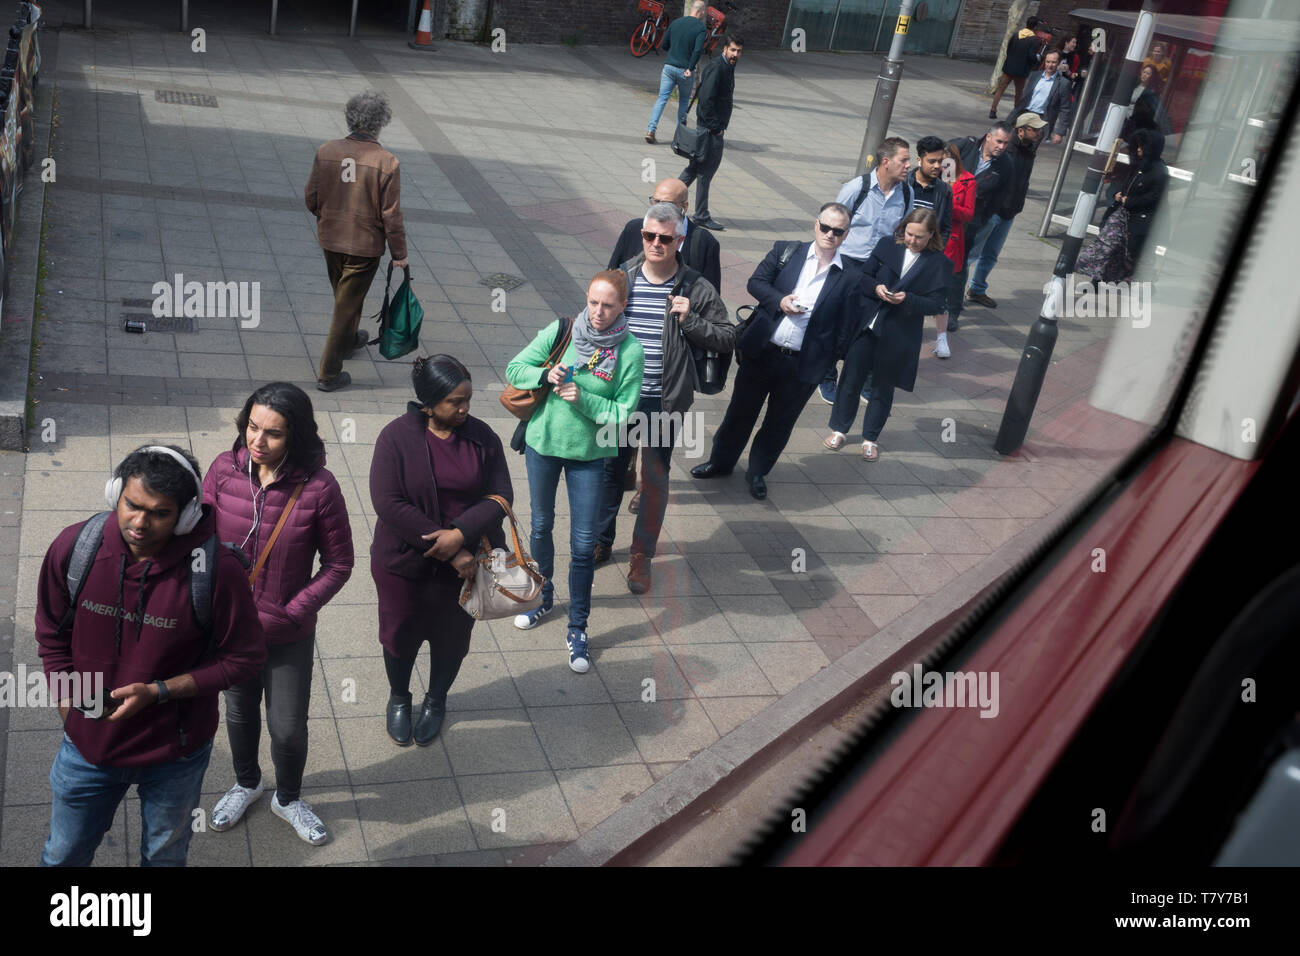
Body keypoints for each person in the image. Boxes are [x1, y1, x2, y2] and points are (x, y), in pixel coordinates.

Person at [36, 446, 266, 866]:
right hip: (87, 746)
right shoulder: (75, 547)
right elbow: (52, 635)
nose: (139, 523)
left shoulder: (217, 571)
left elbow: (245, 659)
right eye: (132, 506)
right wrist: (67, 701)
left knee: (164, 856)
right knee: (63, 855)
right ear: (114, 494)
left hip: (175, 754)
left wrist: (160, 691)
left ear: (186, 514)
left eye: (159, 513)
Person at [203, 383, 353, 845]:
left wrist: (293, 611)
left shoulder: (319, 488)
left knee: (287, 727)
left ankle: (288, 798)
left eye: (273, 433)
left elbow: (339, 563)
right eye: (252, 426)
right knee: (240, 712)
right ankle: (247, 783)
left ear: (296, 437)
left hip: (287, 633)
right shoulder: (223, 471)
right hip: (230, 631)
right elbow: (196, 541)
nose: (257, 441)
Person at [505, 272, 644, 673]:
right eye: (593, 303)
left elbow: (622, 415)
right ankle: (542, 597)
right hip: (543, 446)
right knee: (540, 527)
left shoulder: (631, 352)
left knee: (584, 546)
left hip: (590, 455)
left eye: (608, 306)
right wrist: (543, 375)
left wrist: (582, 399)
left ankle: (578, 627)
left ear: (622, 307)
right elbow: (516, 368)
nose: (598, 313)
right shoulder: (563, 329)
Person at [370, 356, 513, 746]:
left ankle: (436, 700)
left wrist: (462, 532)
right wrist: (448, 547)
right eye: (455, 401)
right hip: (405, 564)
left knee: (452, 640)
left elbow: (501, 496)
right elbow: (388, 502)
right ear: (429, 403)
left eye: (467, 399)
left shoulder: (482, 437)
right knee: (399, 636)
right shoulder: (395, 438)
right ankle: (400, 698)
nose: (465, 408)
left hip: (466, 569)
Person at [595, 202, 733, 594]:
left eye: (665, 238)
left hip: (664, 400)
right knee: (609, 473)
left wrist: (692, 320)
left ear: (680, 240)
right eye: (648, 235)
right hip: (619, 399)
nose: (655, 243)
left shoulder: (695, 286)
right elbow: (591, 319)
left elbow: (727, 335)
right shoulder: (622, 278)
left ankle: (641, 555)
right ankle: (602, 541)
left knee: (653, 479)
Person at [690, 203, 862, 501]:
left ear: (846, 235)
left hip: (803, 365)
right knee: (740, 413)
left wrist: (828, 361)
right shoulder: (788, 251)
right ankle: (720, 462)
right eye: (825, 227)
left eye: (838, 231)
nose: (830, 235)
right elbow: (756, 283)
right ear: (815, 224)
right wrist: (780, 301)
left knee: (779, 422)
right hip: (763, 352)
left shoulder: (849, 276)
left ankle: (757, 472)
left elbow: (847, 327)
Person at [823, 210, 951, 461]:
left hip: (900, 334)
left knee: (883, 389)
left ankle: (870, 438)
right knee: (850, 380)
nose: (912, 241)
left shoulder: (940, 263)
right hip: (869, 325)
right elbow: (864, 276)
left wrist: (908, 299)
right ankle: (839, 429)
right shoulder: (887, 244)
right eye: (909, 234)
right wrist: (876, 287)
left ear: (932, 236)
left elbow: (937, 303)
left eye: (919, 237)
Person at [305, 90, 409, 393]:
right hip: (364, 246)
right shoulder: (386, 162)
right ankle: (329, 372)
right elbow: (391, 214)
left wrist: (328, 217)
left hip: (330, 237)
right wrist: (399, 253)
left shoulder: (327, 150)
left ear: (350, 117)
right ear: (380, 123)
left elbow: (311, 197)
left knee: (345, 295)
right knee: (345, 304)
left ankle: (349, 339)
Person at [821, 136, 913, 405]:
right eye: (903, 160)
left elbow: (901, 232)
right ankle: (827, 376)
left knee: (873, 325)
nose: (909, 165)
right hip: (850, 264)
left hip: (881, 269)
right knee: (838, 321)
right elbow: (832, 223)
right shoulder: (856, 188)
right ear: (886, 161)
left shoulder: (907, 193)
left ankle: (864, 377)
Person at [965, 113, 1045, 310]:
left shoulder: (1028, 149)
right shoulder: (1005, 152)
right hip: (993, 211)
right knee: (970, 255)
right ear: (1020, 130)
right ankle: (954, 295)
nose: (1038, 132)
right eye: (1033, 129)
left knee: (991, 254)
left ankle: (977, 289)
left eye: (1038, 129)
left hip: (1010, 211)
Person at [944, 122, 1014, 333]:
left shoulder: (1006, 165)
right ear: (988, 137)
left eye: (1006, 144)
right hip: (944, 210)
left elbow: (999, 198)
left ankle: (952, 311)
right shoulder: (965, 146)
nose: (1002, 147)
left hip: (969, 219)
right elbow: (945, 161)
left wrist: (980, 218)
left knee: (959, 264)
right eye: (999, 141)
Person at [608, 177, 721, 290]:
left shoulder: (704, 242)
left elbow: (711, 298)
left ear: (684, 207)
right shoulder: (633, 229)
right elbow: (610, 275)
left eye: (667, 203)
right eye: (656, 201)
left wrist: (689, 306)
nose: (659, 208)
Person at [680, 35, 743, 231]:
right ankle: (700, 215)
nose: (735, 54)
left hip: (710, 128)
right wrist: (715, 127)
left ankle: (665, 200)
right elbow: (706, 99)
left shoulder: (726, 67)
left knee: (695, 168)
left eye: (739, 51)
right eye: (732, 50)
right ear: (725, 49)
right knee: (705, 172)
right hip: (710, 130)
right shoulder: (718, 67)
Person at [933, 142, 975, 359]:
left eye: (948, 160)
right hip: (928, 235)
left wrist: (948, 203)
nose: (942, 164)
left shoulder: (967, 180)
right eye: (940, 160)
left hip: (951, 239)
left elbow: (968, 214)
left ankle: (943, 332)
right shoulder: (937, 176)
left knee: (944, 286)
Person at [646, 0, 708, 144]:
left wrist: (674, 53)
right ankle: (679, 137)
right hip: (685, 70)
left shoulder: (676, 23)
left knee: (661, 99)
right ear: (702, 11)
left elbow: (664, 44)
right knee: (683, 102)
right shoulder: (700, 28)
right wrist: (690, 68)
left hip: (668, 67)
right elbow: (698, 50)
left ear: (691, 9)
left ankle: (651, 130)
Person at [1113, 128, 1169, 270]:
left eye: (1141, 147)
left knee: (1133, 257)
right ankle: (1098, 281)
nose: (1138, 150)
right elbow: (1130, 185)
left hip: (1140, 221)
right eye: (1136, 146)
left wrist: (1130, 201)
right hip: (1124, 217)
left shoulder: (1158, 171)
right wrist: (1119, 195)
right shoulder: (1139, 165)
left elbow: (1154, 197)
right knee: (1110, 251)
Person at [990, 15, 1046, 119]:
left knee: (1000, 89)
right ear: (1035, 27)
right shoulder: (1035, 40)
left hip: (1008, 67)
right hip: (1021, 70)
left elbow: (1008, 49)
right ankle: (1015, 115)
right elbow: (1031, 55)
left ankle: (993, 110)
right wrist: (1038, 57)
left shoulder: (1015, 35)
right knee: (1019, 93)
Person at [1014, 50, 1073, 145]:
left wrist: (1059, 132)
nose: (1050, 65)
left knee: (1029, 150)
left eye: (1053, 62)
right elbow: (1023, 99)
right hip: (1025, 114)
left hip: (1041, 120)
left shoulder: (1063, 84)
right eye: (1048, 62)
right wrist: (1012, 119)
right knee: (1013, 145)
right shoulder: (1034, 75)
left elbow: (1065, 109)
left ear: (1058, 63)